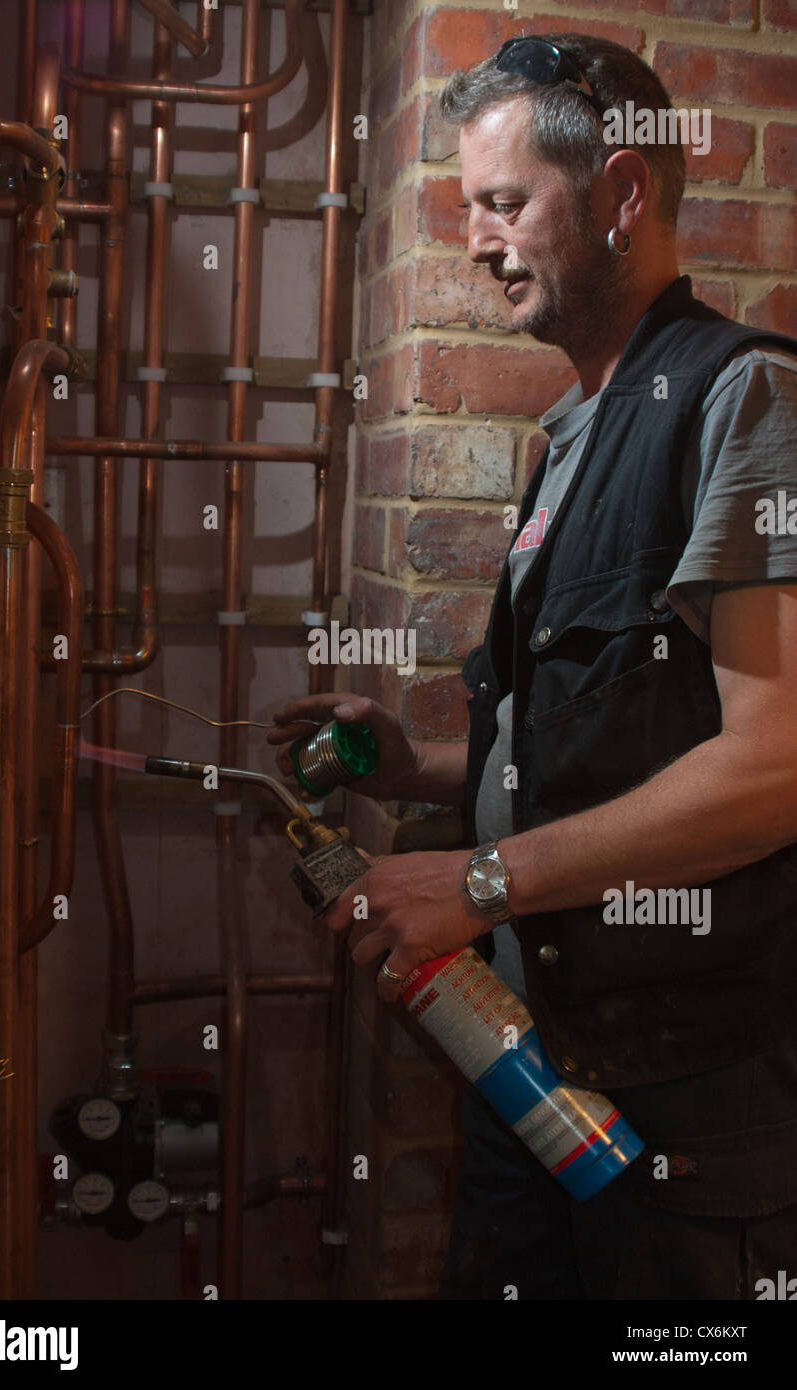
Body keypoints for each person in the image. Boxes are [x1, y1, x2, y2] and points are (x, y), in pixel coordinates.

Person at [268, 33, 797, 1300]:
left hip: (689, 1105)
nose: (476, 239)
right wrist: (428, 766)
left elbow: (775, 766)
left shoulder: (748, 401)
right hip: (530, 1068)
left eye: (504, 203)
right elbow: (606, 745)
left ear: (623, 194)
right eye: (468, 208)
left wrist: (482, 879)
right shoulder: (565, 436)